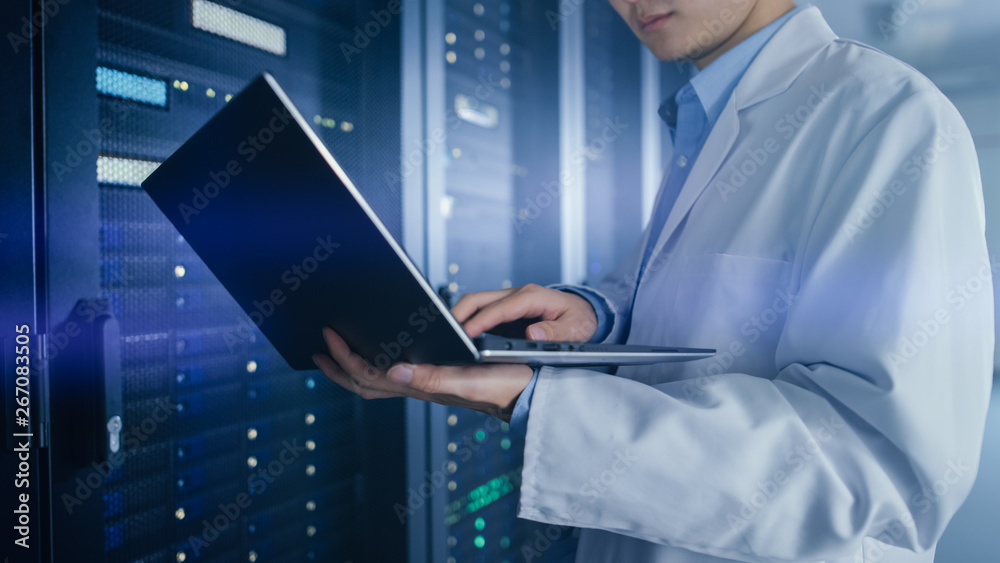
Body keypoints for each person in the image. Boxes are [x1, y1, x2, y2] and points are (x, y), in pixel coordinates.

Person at [312, 0, 995, 560]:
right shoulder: (708, 116)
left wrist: (537, 402)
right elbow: (693, 297)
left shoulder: (890, 118)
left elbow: (872, 477)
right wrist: (596, 312)